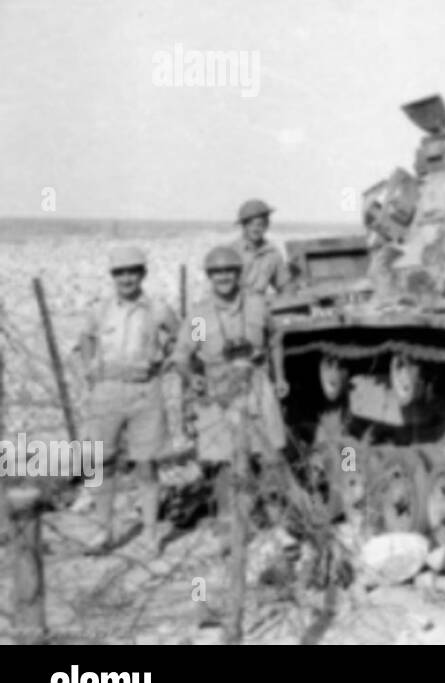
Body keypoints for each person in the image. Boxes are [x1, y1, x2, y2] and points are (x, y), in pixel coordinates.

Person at [173, 246, 291, 536]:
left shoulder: (258, 305)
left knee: (269, 453)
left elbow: (275, 340)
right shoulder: (200, 316)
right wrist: (193, 379)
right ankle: (230, 520)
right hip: (219, 386)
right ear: (210, 277)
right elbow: (185, 354)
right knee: (225, 460)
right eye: (217, 273)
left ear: (239, 274)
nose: (223, 278)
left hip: (257, 381)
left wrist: (280, 377)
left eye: (229, 271)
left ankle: (275, 516)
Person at [73, 246, 179, 554]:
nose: (127, 278)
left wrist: (171, 359)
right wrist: (90, 370)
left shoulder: (158, 308)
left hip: (144, 390)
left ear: (143, 274)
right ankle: (102, 531)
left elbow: (189, 333)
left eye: (133, 271)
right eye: (120, 272)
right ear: (113, 276)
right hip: (106, 390)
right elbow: (86, 337)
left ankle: (149, 533)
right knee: (99, 462)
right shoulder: (99, 309)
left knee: (146, 463)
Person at [229, 198, 290, 297]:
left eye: (260, 224)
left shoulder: (272, 254)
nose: (255, 229)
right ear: (243, 226)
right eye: (250, 224)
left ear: (267, 225)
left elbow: (283, 285)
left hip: (259, 306)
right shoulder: (232, 252)